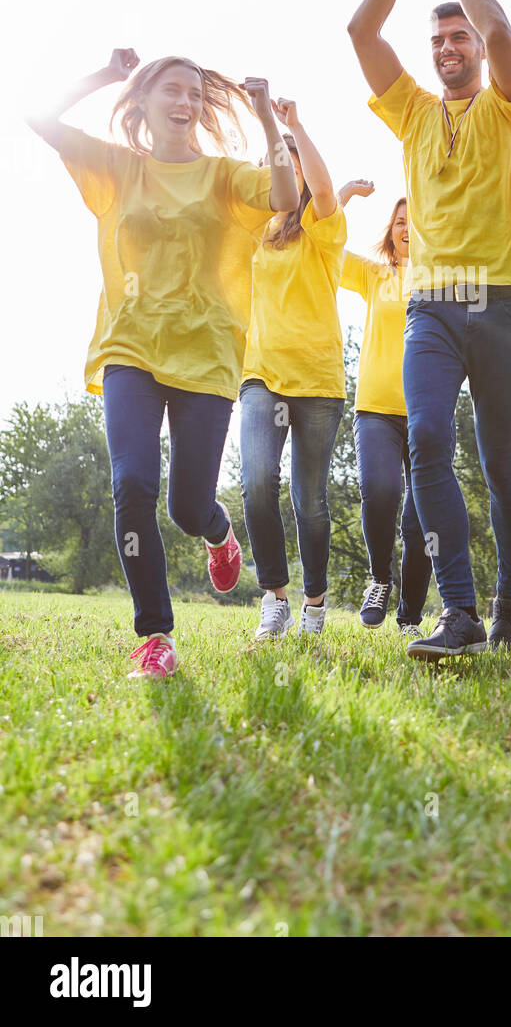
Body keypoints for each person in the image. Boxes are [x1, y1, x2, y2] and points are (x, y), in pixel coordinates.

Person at [26, 50, 298, 678]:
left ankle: (217, 529)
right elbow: (37, 116)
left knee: (184, 505)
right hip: (131, 347)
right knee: (132, 484)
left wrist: (265, 118)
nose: (186, 103)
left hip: (205, 354)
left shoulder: (226, 176)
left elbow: (286, 194)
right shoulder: (118, 168)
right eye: (172, 91)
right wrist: (102, 76)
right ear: (144, 102)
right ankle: (155, 635)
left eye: (196, 95)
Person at [348, 0, 511, 657]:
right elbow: (361, 34)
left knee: (499, 463)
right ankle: (457, 613)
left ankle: (510, 598)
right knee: (427, 437)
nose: (448, 49)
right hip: (432, 305)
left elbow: (504, 37)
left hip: (501, 305)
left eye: (457, 38)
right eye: (437, 41)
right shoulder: (413, 114)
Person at [241, 104, 346, 642]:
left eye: (290, 160)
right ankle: (276, 596)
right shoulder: (253, 230)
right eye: (272, 161)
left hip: (319, 380)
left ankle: (315, 601)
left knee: (311, 501)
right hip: (260, 373)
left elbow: (327, 195)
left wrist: (298, 127)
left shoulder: (324, 229)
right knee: (257, 483)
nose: (281, 168)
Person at [338, 185, 438, 638]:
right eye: (400, 222)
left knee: (421, 521)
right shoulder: (374, 276)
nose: (407, 229)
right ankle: (381, 578)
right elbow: (320, 242)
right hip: (375, 409)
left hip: (425, 411)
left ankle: (410, 619)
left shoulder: (442, 278)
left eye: (414, 222)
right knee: (378, 489)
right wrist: (340, 195)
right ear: (391, 233)